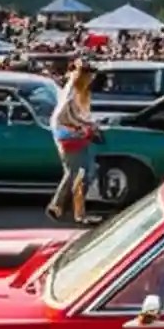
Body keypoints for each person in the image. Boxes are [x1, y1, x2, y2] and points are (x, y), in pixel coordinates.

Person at [47, 61, 98, 224]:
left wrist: (89, 123)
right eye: (90, 76)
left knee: (76, 173)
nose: (92, 80)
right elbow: (65, 115)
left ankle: (58, 207)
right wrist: (83, 125)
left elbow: (80, 113)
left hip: (73, 134)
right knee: (81, 174)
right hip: (69, 136)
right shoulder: (73, 91)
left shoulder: (77, 89)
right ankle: (77, 213)